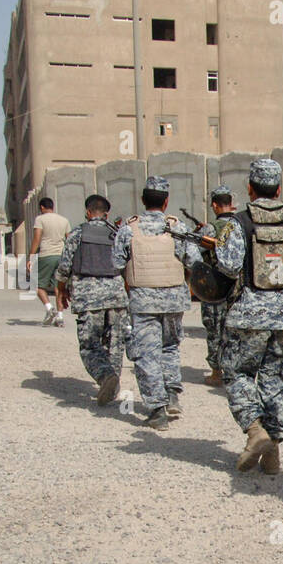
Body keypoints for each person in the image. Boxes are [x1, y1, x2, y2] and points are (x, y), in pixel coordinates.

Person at [217, 158, 283, 472]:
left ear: (250, 188)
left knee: (237, 374)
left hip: (246, 316)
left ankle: (255, 430)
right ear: (279, 189)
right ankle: (273, 450)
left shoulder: (238, 223)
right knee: (273, 382)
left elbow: (228, 266)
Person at [111, 176, 203, 430]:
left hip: (143, 301)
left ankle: (157, 409)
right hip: (174, 299)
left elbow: (117, 264)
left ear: (143, 200)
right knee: (170, 347)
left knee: (146, 354)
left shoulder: (129, 229)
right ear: (166, 202)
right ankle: (172, 394)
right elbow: (193, 261)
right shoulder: (177, 226)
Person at [53, 193, 129, 405]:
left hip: (89, 298)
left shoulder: (77, 234)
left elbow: (65, 266)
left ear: (87, 213)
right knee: (115, 344)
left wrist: (61, 290)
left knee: (89, 344)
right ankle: (114, 385)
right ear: (107, 214)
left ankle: (106, 377)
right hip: (116, 296)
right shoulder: (118, 234)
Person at [200, 185, 238, 387]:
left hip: (214, 287)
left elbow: (198, 255)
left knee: (214, 329)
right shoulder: (239, 224)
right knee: (233, 330)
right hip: (236, 287)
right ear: (230, 203)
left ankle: (216, 372)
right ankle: (233, 370)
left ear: (214, 205)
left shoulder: (210, 228)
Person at [28, 196, 70, 326]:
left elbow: (37, 238)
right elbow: (69, 239)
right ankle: (60, 317)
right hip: (61, 255)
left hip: (46, 254)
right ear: (52, 206)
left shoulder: (40, 219)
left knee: (37, 285)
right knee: (59, 287)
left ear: (41, 207)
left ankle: (49, 308)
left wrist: (31, 256)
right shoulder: (64, 220)